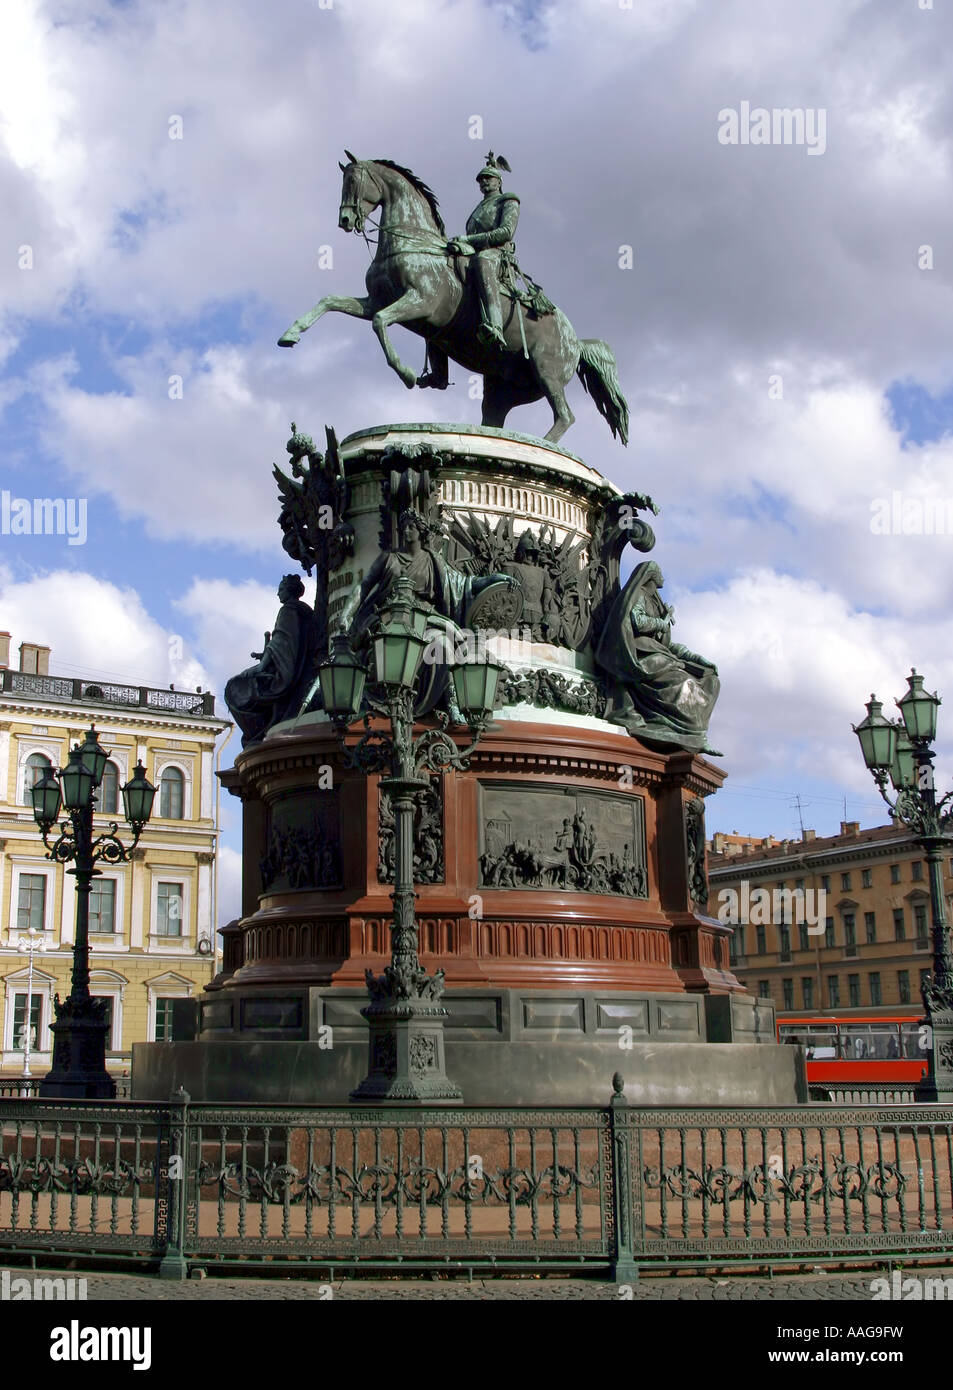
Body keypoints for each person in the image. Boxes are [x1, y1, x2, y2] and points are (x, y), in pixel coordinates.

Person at [224, 575, 318, 746]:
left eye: (280, 589)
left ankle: (259, 733)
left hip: (288, 673)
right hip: (301, 668)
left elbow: (281, 643)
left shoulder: (288, 610)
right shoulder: (306, 611)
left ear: (289, 591)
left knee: (235, 687)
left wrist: (262, 665)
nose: (277, 594)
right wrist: (268, 655)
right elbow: (283, 643)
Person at [447, 154, 520, 351]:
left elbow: (506, 233)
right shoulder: (477, 209)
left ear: (499, 181)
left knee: (482, 261)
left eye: (488, 178)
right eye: (481, 179)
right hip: (473, 251)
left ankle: (495, 324)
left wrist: (468, 240)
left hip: (497, 255)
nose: (484, 182)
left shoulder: (508, 200)